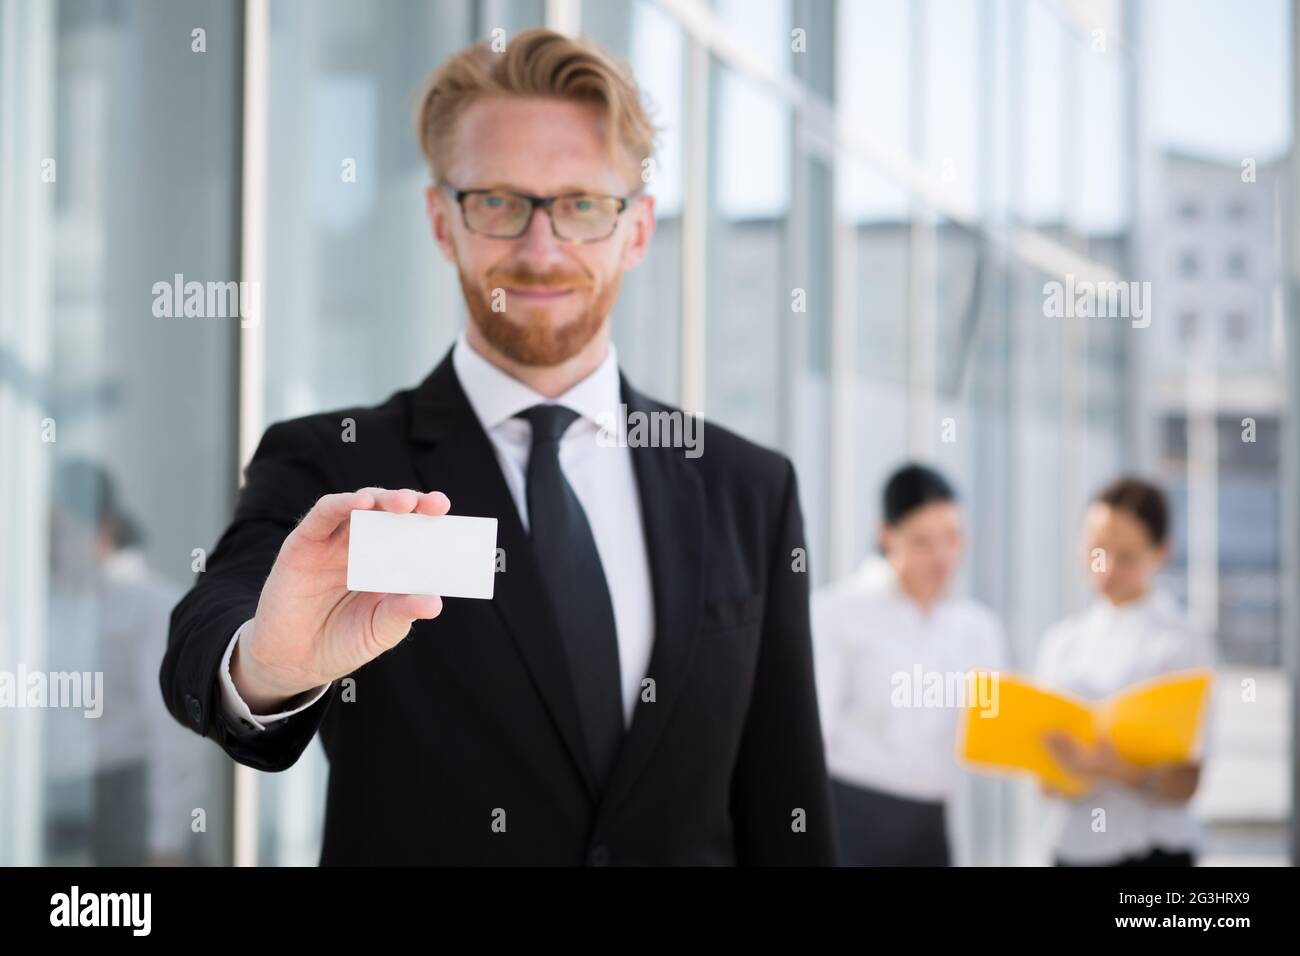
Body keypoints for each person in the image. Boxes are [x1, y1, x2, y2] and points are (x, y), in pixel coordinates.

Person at [160, 28, 834, 865]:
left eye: (583, 205)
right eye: (500, 203)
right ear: (443, 221)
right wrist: (266, 660)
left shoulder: (747, 489)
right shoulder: (335, 463)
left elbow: (786, 800)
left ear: (639, 228)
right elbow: (206, 635)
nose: (542, 249)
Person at [812, 464, 1007, 866]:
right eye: (922, 542)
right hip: (850, 814)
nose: (941, 557)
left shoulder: (978, 628)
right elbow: (811, 735)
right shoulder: (837, 614)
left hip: (932, 822)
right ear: (886, 534)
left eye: (951, 539)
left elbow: (996, 731)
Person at [1036, 476, 1216, 867]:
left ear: (1161, 552)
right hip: (1074, 848)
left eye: (1127, 556)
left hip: (1156, 851)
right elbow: (1045, 785)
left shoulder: (1183, 641)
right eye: (1097, 550)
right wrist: (1072, 770)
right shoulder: (1062, 642)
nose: (1108, 569)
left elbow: (1186, 782)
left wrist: (1110, 768)